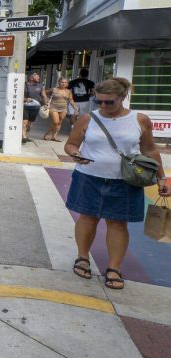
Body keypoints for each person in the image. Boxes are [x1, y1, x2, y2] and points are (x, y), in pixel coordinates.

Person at [63, 77, 170, 289]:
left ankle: (114, 267)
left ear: (123, 97)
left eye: (109, 102)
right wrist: (75, 154)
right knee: (87, 218)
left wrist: (161, 178)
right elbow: (71, 144)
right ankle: (82, 257)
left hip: (126, 181)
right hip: (89, 177)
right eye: (98, 101)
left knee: (118, 223)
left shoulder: (140, 120)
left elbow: (150, 150)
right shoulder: (87, 119)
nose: (103, 106)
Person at [45, 77, 77, 142]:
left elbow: (71, 100)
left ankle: (54, 136)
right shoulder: (54, 89)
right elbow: (44, 93)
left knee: (59, 123)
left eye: (65, 82)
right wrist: (47, 101)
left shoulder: (68, 91)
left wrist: (75, 108)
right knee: (55, 122)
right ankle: (47, 133)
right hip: (53, 107)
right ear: (59, 82)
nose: (63, 84)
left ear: (67, 83)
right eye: (62, 82)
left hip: (63, 108)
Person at [22, 73, 48, 144]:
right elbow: (18, 95)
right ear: (31, 77)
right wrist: (25, 99)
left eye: (38, 76)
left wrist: (46, 104)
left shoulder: (40, 86)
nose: (38, 78)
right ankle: (23, 136)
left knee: (30, 123)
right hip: (25, 106)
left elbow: (44, 95)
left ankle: (26, 136)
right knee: (24, 122)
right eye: (37, 76)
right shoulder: (24, 85)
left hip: (36, 107)